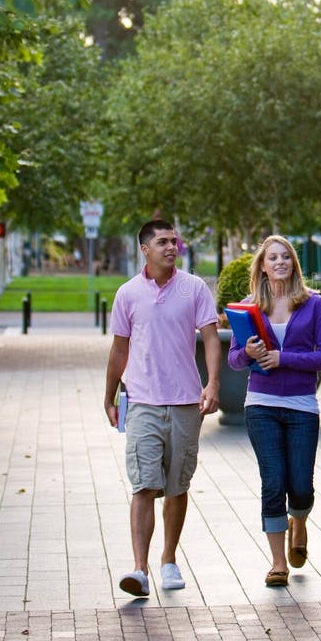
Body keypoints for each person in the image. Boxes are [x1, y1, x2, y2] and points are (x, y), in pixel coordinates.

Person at [104, 219, 221, 597]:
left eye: (174, 241)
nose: (171, 247)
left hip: (186, 401)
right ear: (144, 249)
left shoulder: (194, 288)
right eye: (162, 242)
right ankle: (139, 570)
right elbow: (119, 349)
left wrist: (213, 383)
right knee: (143, 485)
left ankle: (168, 559)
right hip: (141, 403)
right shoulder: (128, 293)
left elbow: (210, 338)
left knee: (177, 485)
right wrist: (109, 396)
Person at [228, 235, 321, 587]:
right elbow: (234, 359)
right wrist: (247, 353)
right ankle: (278, 563)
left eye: (285, 257)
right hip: (261, 404)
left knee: (300, 486)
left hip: (303, 405)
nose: (279, 262)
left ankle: (299, 522)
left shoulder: (313, 304)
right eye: (272, 257)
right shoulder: (248, 308)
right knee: (273, 483)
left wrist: (283, 358)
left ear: (293, 264)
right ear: (261, 265)